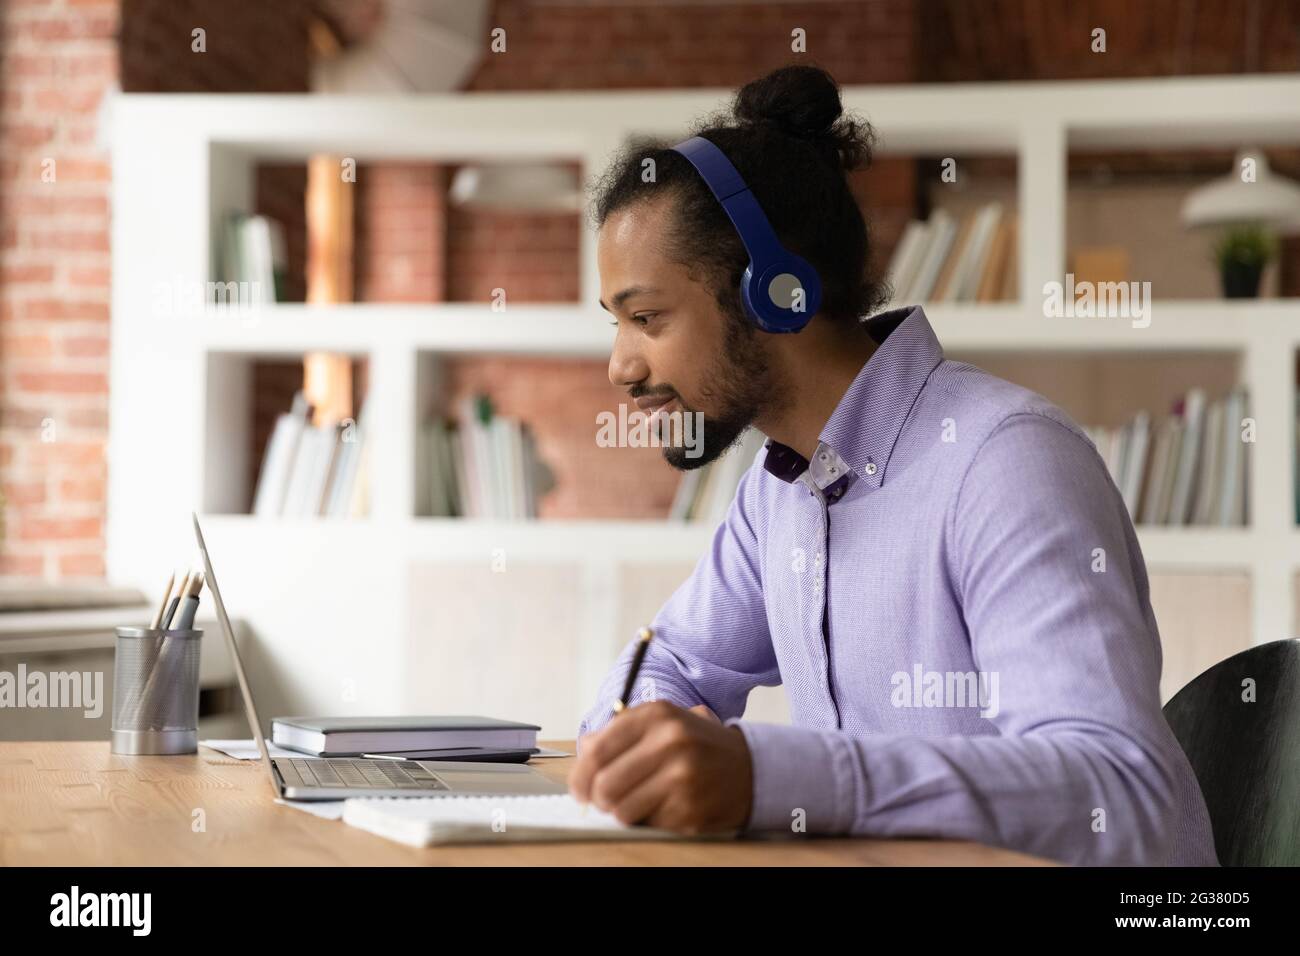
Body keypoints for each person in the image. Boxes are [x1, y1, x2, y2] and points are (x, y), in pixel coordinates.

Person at [568, 64, 1218, 866]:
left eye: (646, 317)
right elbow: (665, 662)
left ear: (777, 294)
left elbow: (1119, 797)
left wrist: (775, 775)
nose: (620, 368)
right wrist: (648, 745)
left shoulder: (1005, 463)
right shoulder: (778, 493)